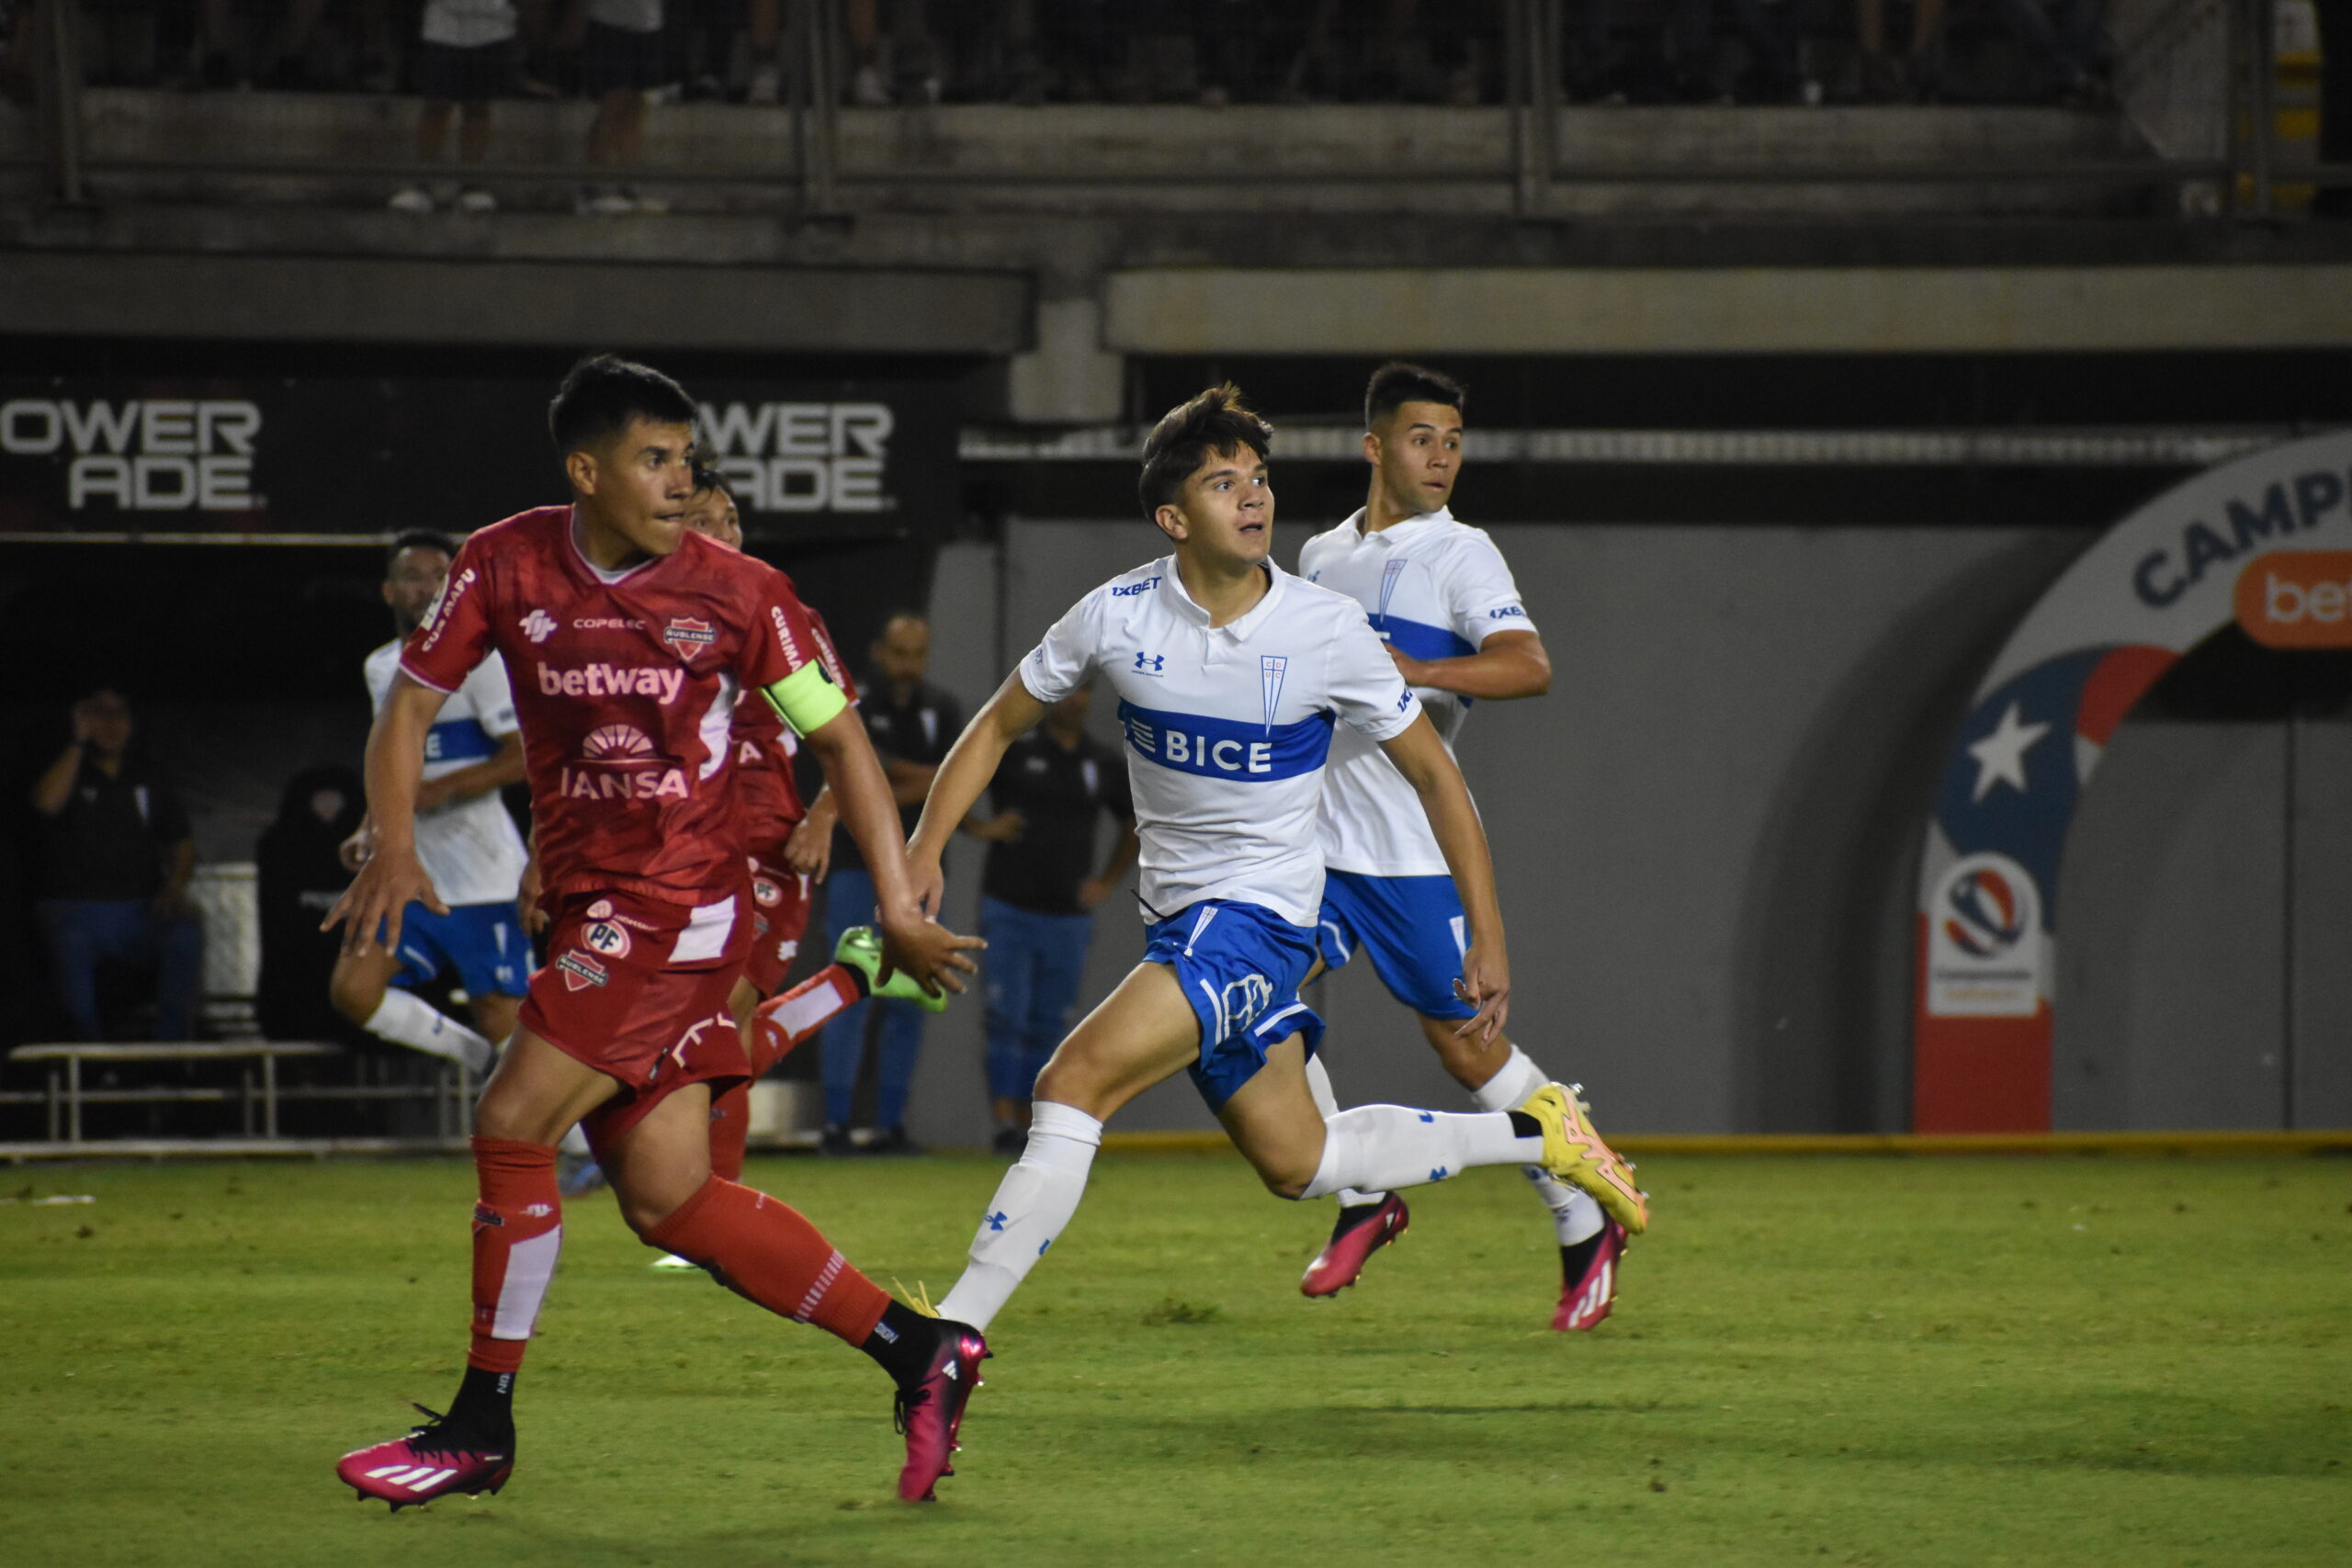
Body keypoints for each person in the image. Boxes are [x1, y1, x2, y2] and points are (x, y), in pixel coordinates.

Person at [328, 355, 986, 1510]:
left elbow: (842, 747)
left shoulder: (745, 593)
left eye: (686, 457)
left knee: (514, 1123)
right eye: (654, 458)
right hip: (592, 900)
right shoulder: (501, 559)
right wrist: (393, 837)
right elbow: (410, 703)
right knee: (671, 1199)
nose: (681, 479)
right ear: (585, 471)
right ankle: (918, 1352)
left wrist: (894, 901)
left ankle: (480, 1427)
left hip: (678, 909)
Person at [908, 385, 1647, 1366]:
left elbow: (1456, 747)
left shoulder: (1353, 609)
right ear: (1175, 519)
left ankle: (949, 1341)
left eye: (1258, 480)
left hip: (1295, 897)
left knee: (1077, 1080)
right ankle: (1513, 1146)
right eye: (1226, 484)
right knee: (1301, 1159)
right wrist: (924, 847)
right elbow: (999, 720)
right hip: (1236, 890)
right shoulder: (1136, 610)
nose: (1254, 498)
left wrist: (1492, 929)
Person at [1292, 363, 1623, 1331]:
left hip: (1404, 845)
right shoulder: (1317, 555)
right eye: (1420, 437)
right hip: (1309, 839)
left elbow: (1530, 666)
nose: (1440, 457)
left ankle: (1577, 1214)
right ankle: (1360, 1198)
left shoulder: (1459, 554)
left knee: (1468, 1050)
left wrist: (1419, 668)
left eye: (1452, 441)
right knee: (1248, 1001)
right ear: (1373, 447)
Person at [328, 530, 529, 1078]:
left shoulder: (483, 661)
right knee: (354, 990)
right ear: (389, 591)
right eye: (413, 577)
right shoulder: (381, 667)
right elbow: (394, 760)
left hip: (486, 878)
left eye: (440, 576)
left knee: (504, 1017)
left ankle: (581, 1151)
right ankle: (477, 1061)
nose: (428, 588)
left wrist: (442, 790)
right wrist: (370, 825)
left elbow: (525, 758)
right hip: (410, 872)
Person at [966, 681, 1136, 1154]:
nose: (1075, 701)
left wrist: (1105, 881)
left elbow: (1132, 825)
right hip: (1009, 905)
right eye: (1067, 692)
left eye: (1084, 693)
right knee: (1006, 1015)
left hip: (1067, 917)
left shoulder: (1100, 762)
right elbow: (955, 779)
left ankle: (1030, 1121)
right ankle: (1003, 1121)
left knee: (1048, 1021)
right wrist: (981, 827)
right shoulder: (1017, 751)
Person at [816, 610, 963, 1155]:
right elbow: (861, 776)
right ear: (880, 652)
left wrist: (883, 782)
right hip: (860, 867)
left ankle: (888, 1125)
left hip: (921, 872)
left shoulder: (942, 708)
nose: (908, 665)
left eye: (917, 654)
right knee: (850, 988)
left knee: (914, 995)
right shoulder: (857, 706)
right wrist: (924, 780)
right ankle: (835, 1124)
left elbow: (958, 774)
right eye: (899, 653)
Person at [28, 690, 203, 1043]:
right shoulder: (67, 766)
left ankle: (168, 1058)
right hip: (73, 909)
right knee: (70, 952)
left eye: (119, 715)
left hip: (138, 911)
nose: (110, 724)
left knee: (184, 935)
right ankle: (88, 1067)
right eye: (99, 714)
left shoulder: (148, 776)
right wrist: (78, 741)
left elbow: (181, 843)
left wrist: (175, 887)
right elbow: (45, 804)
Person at [389, 0, 517, 215]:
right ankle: (422, 184)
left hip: (493, 25)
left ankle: (470, 184)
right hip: (442, 23)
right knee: (436, 105)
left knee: (477, 106)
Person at [576, 0, 669, 214]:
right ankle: (593, 187)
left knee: (638, 105)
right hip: (610, 20)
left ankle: (627, 185)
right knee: (613, 102)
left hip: (649, 21)